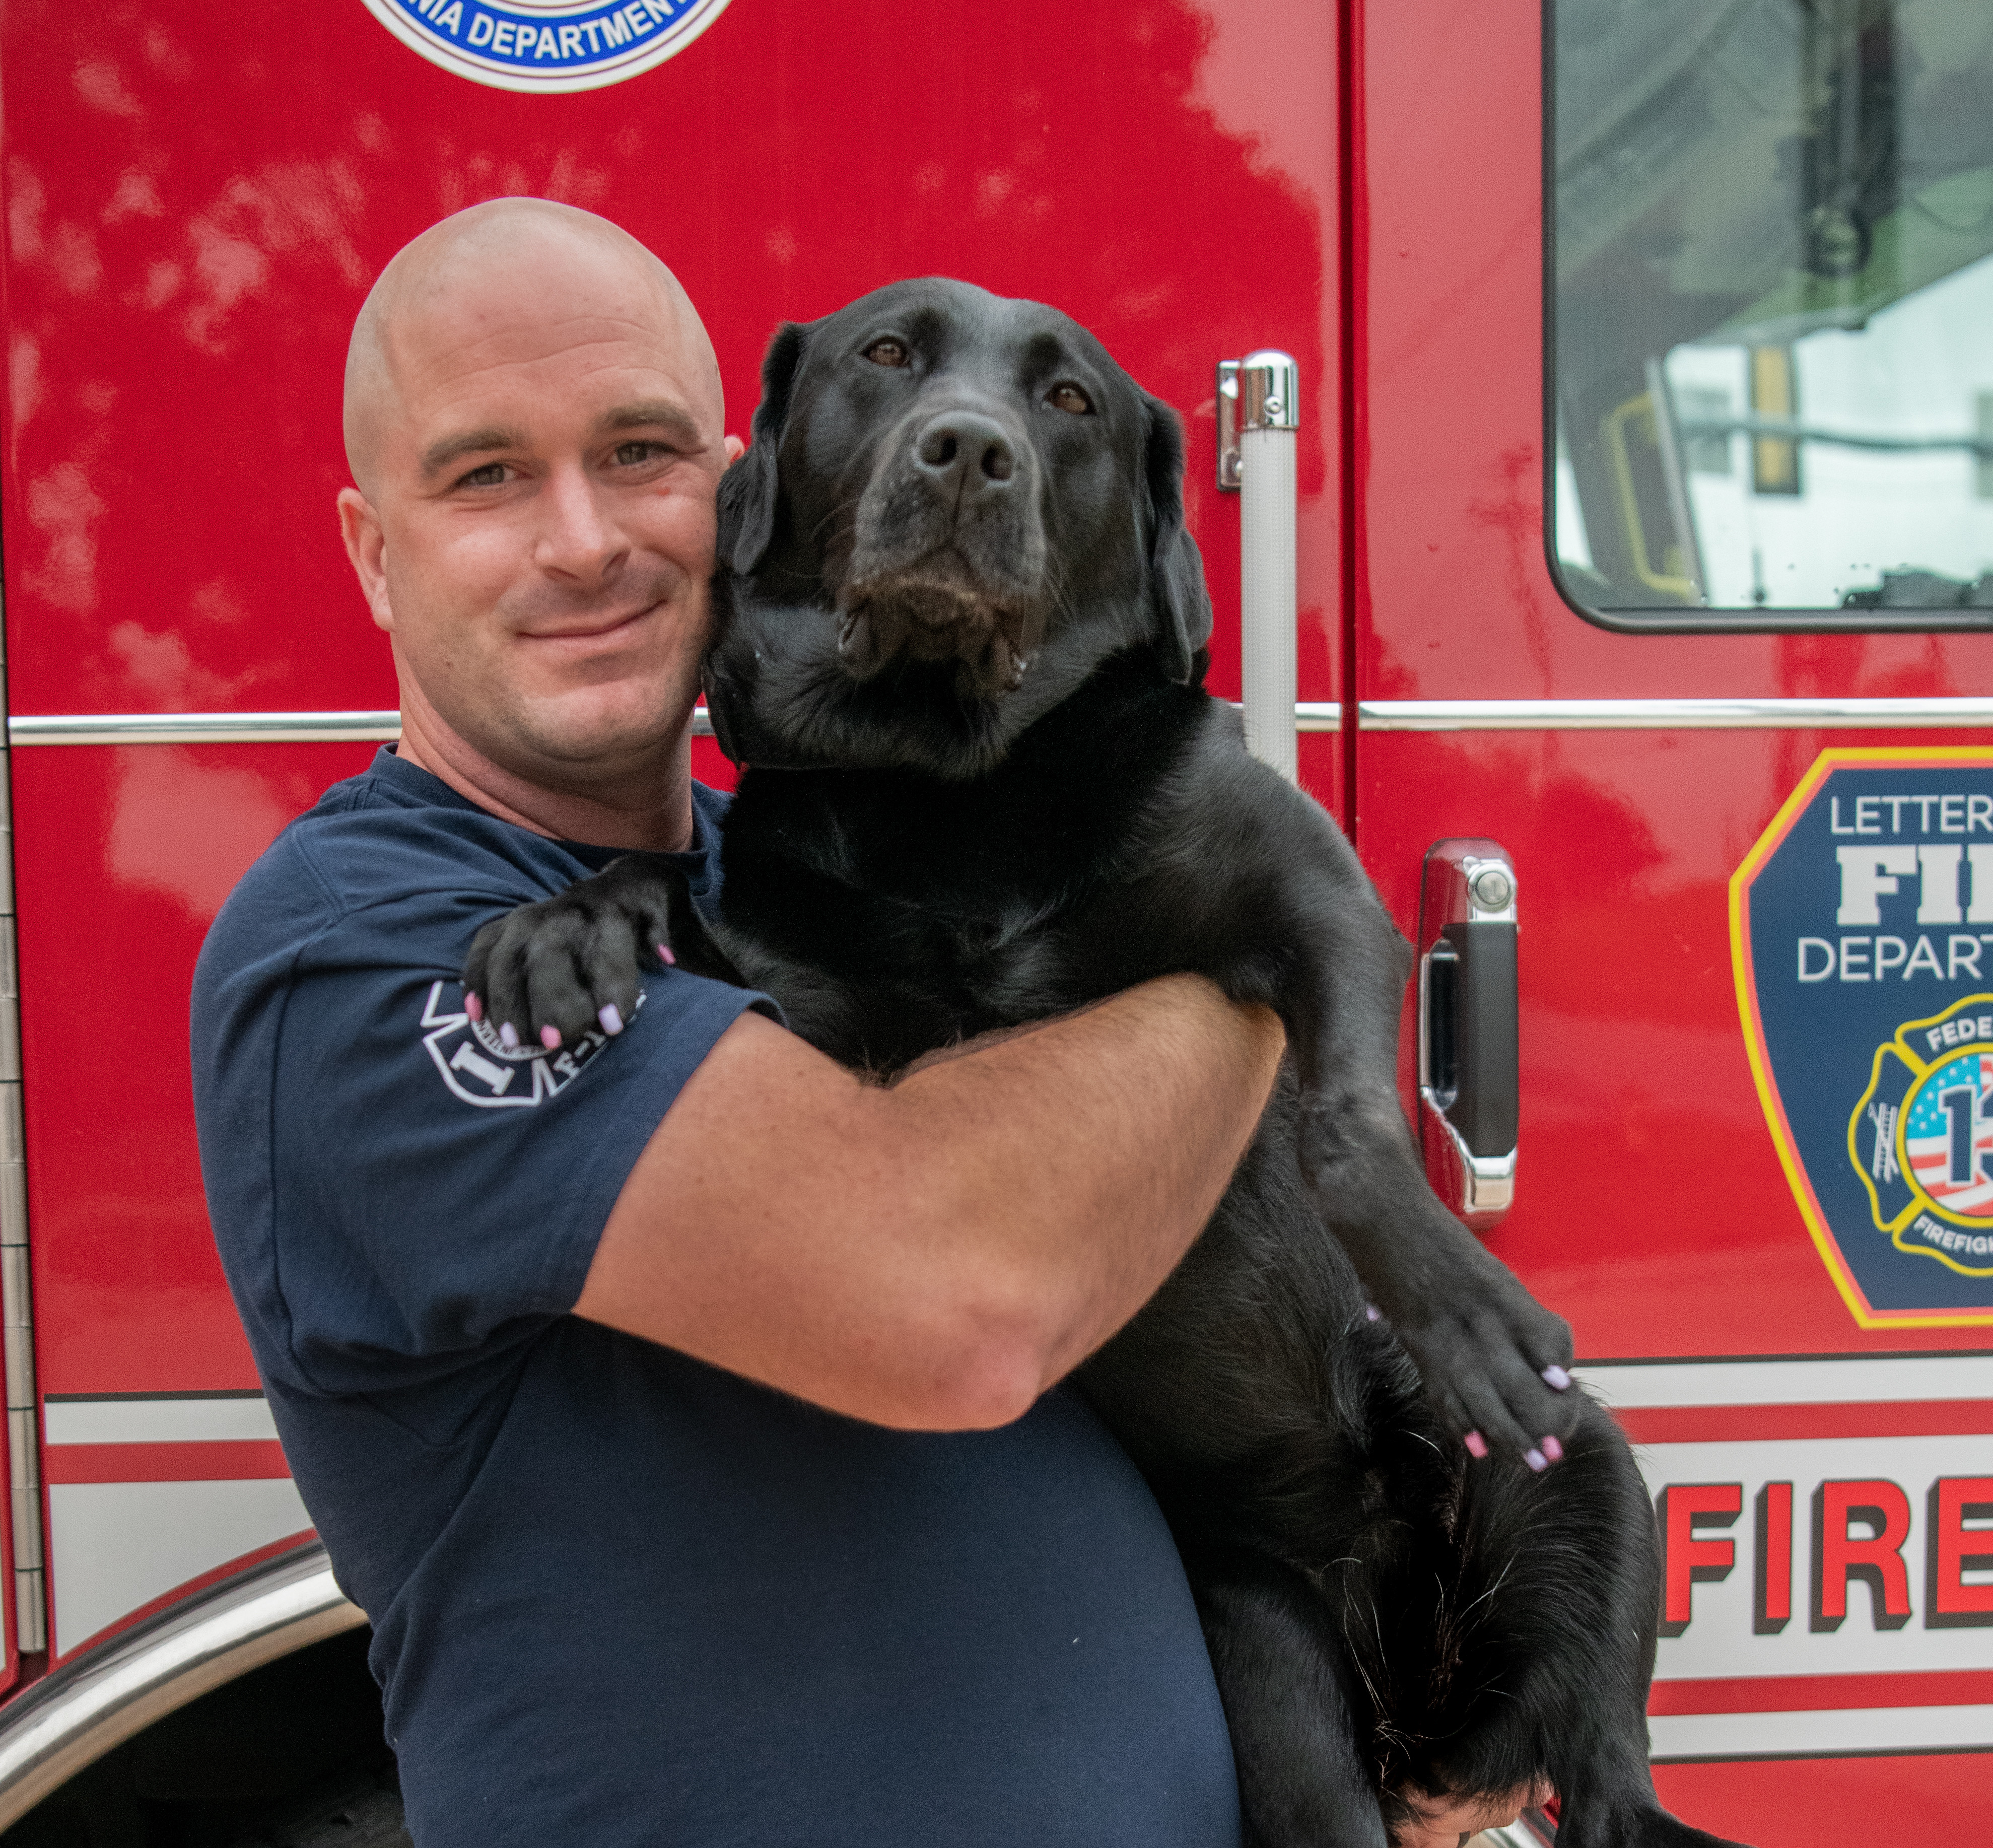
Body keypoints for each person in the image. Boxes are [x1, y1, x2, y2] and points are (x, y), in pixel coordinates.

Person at [191, 198, 1524, 1848]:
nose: (586, 539)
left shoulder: (816, 879)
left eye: (638, 454)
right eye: (486, 478)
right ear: (371, 552)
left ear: (750, 493)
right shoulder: (373, 946)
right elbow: (954, 1303)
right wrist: (1247, 931)